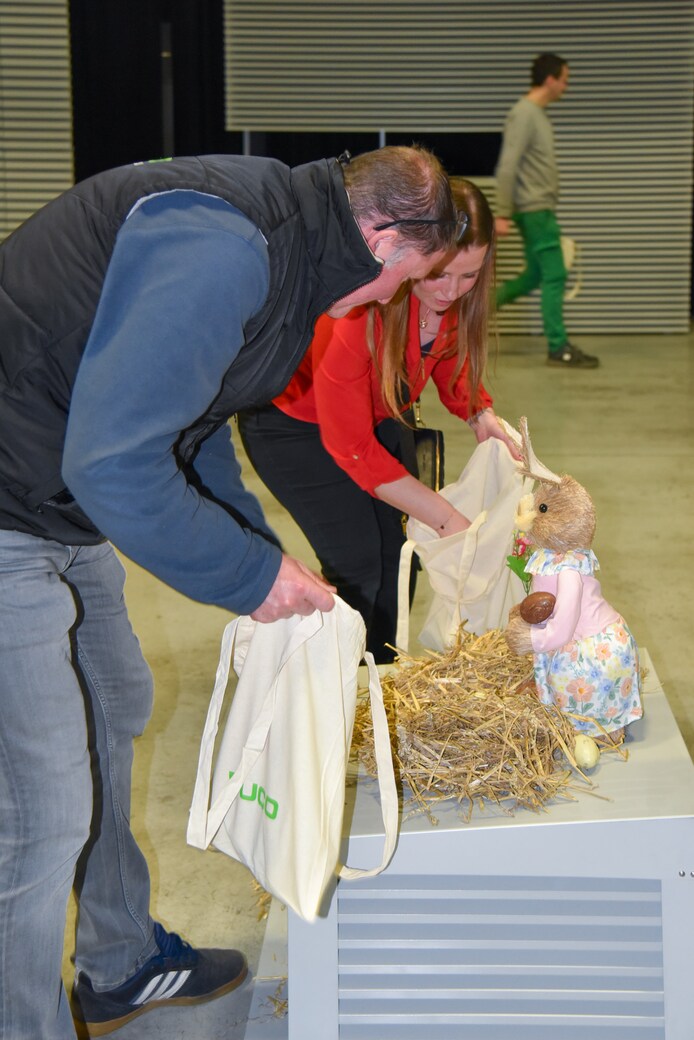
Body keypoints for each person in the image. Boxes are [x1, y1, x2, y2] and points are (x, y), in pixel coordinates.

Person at [0, 145, 460, 1039]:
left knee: (114, 705)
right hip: (18, 498)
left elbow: (196, 425)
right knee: (41, 804)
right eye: (407, 278)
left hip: (56, 494)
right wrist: (248, 577)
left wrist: (264, 558)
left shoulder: (287, 249)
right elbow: (115, 463)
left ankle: (118, 962)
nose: (392, 299)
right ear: (380, 239)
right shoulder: (228, 246)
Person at [238, 178, 521, 664]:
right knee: (359, 564)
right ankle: (343, 683)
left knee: (399, 557)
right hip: (293, 426)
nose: (451, 291)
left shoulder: (452, 300)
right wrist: (445, 517)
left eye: (469, 276)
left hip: (379, 409)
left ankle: (381, 670)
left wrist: (479, 412)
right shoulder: (361, 311)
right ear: (420, 254)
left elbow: (445, 357)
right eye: (439, 275)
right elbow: (352, 446)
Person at [494, 52, 599, 368]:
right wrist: (502, 212)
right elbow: (508, 165)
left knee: (534, 276)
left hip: (539, 209)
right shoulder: (524, 113)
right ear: (550, 79)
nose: (566, 86)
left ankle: (470, 312)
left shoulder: (537, 114)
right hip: (534, 210)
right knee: (556, 274)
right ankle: (558, 346)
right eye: (564, 80)